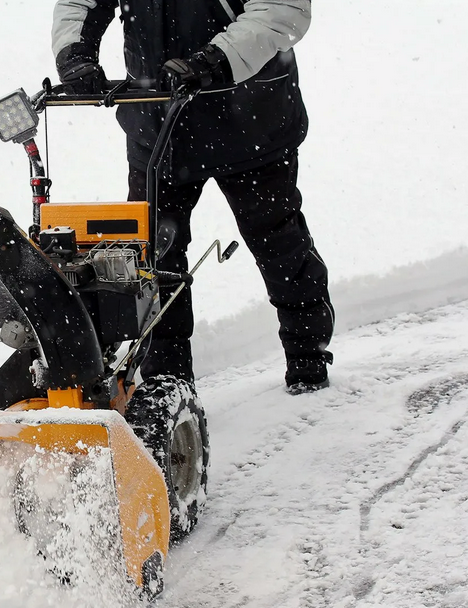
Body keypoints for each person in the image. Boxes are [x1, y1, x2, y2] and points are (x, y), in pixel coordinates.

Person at [52, 0, 334, 394]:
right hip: (157, 125)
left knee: (278, 243)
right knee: (152, 259)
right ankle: (167, 383)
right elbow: (81, 3)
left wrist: (215, 59)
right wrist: (75, 54)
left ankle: (308, 357)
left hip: (250, 121)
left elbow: (280, 9)